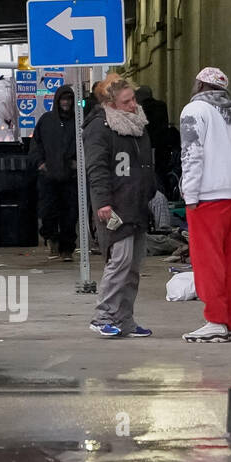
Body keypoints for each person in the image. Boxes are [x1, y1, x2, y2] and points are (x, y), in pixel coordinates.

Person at [179, 66, 231, 342]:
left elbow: (191, 154)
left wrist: (190, 194)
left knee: (207, 260)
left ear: (199, 86)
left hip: (207, 194)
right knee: (228, 260)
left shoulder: (193, 111)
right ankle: (230, 320)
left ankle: (215, 320)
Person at [84, 76, 158, 338]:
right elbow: (97, 167)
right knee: (120, 261)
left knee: (134, 265)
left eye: (133, 99)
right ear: (111, 103)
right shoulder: (99, 128)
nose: (133, 105)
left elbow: (145, 163)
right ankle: (104, 315)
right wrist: (102, 202)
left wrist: (151, 189)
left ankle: (125, 318)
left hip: (136, 203)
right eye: (126, 101)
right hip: (115, 205)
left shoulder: (138, 126)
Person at [28, 85, 79, 260]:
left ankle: (67, 249)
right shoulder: (47, 120)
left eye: (69, 99)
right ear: (57, 101)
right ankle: (52, 240)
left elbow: (88, 144)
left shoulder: (79, 121)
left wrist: (78, 163)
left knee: (70, 215)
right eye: (63, 99)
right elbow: (36, 145)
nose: (66, 103)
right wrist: (41, 163)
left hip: (70, 176)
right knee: (47, 212)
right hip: (49, 176)